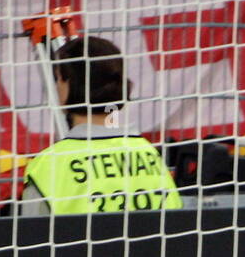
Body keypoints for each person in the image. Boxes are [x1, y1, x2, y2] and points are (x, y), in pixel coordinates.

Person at [19, 35, 182, 215]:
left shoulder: (48, 164)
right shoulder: (149, 155)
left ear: (69, 84)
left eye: (58, 78)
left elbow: (31, 237)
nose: (56, 86)